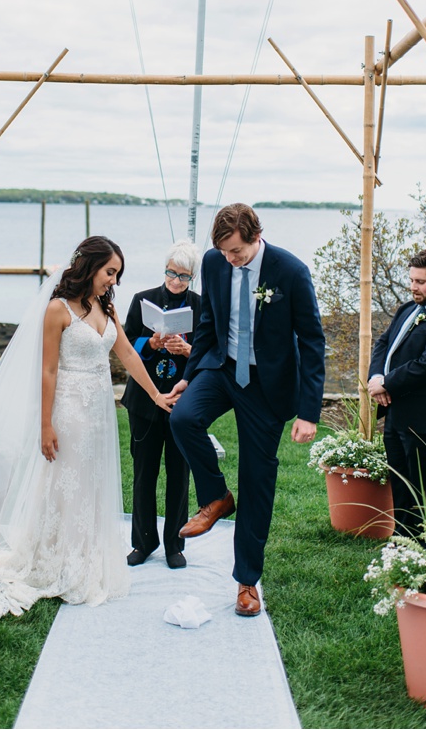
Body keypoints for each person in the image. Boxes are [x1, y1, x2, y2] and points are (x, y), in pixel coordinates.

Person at [0, 236, 175, 618]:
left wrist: (157, 395)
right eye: (110, 272)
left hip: (100, 411)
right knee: (64, 484)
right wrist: (45, 425)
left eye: (118, 274)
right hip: (69, 409)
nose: (114, 281)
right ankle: (55, 558)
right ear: (89, 267)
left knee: (91, 481)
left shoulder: (108, 307)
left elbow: (126, 353)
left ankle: (86, 555)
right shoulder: (58, 310)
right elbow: (48, 370)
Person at [169, 203, 325, 617]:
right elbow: (208, 324)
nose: (229, 259)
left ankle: (246, 582)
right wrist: (190, 373)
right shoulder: (214, 262)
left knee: (257, 481)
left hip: (266, 386)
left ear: (257, 236)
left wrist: (309, 412)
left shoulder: (291, 271)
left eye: (236, 252)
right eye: (222, 251)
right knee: (183, 418)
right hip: (220, 368)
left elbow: (312, 341)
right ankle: (217, 497)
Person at [367, 248, 426, 536]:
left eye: (421, 282)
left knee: (424, 485)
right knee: (399, 480)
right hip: (396, 412)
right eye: (411, 280)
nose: (413, 287)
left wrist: (388, 383)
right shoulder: (407, 309)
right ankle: (401, 537)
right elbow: (383, 344)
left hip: (425, 416)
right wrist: (376, 376)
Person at [122, 239, 202, 569]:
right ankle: (142, 542)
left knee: (179, 475)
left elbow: (211, 352)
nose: (176, 281)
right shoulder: (144, 300)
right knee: (144, 473)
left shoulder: (201, 305)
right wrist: (151, 343)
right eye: (171, 272)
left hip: (182, 404)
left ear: (192, 278)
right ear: (164, 269)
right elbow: (126, 345)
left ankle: (174, 544)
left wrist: (188, 350)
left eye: (183, 276)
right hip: (145, 401)